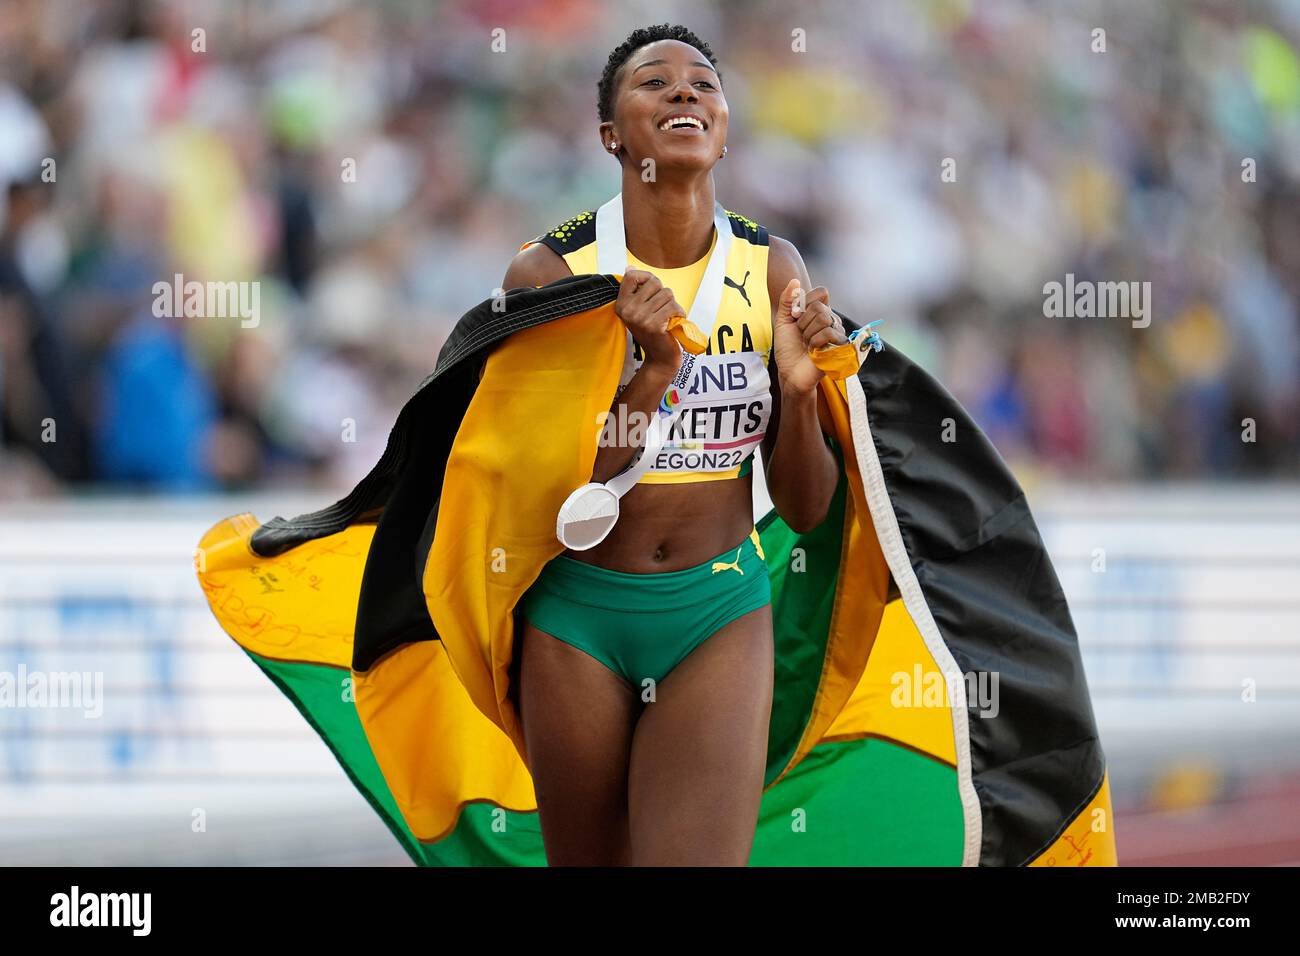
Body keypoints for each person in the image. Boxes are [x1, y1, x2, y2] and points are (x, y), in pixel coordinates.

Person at [500, 23, 849, 866]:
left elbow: (804, 508)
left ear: (724, 128)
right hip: (577, 611)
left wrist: (800, 398)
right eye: (655, 83)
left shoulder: (773, 270)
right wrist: (653, 372)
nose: (685, 92)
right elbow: (556, 498)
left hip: (717, 609)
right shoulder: (551, 274)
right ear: (612, 136)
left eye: (703, 84)